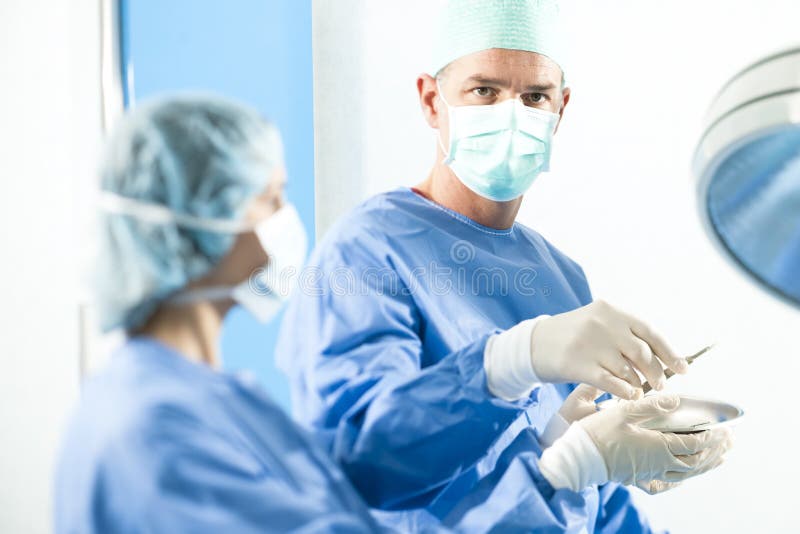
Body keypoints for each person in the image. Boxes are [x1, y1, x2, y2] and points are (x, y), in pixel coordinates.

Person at [275, 0, 734, 531]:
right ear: (431, 100)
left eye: (534, 95)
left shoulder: (560, 279)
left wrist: (596, 453)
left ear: (560, 110)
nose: (512, 113)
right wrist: (510, 360)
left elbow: (589, 502)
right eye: (484, 90)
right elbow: (361, 460)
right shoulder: (368, 251)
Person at [54, 95, 380, 533]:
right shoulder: (154, 428)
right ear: (197, 219)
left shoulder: (203, 394)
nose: (286, 219)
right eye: (271, 197)